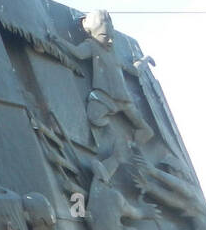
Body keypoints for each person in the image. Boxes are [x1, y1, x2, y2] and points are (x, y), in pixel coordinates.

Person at [52, 9, 154, 144]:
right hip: (105, 96)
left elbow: (135, 70)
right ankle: (115, 137)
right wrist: (59, 41)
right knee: (94, 117)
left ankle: (132, 145)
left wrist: (145, 60)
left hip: (124, 99)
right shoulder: (92, 45)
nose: (110, 40)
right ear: (92, 32)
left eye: (112, 36)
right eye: (105, 36)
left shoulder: (114, 52)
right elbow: (79, 53)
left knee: (145, 129)